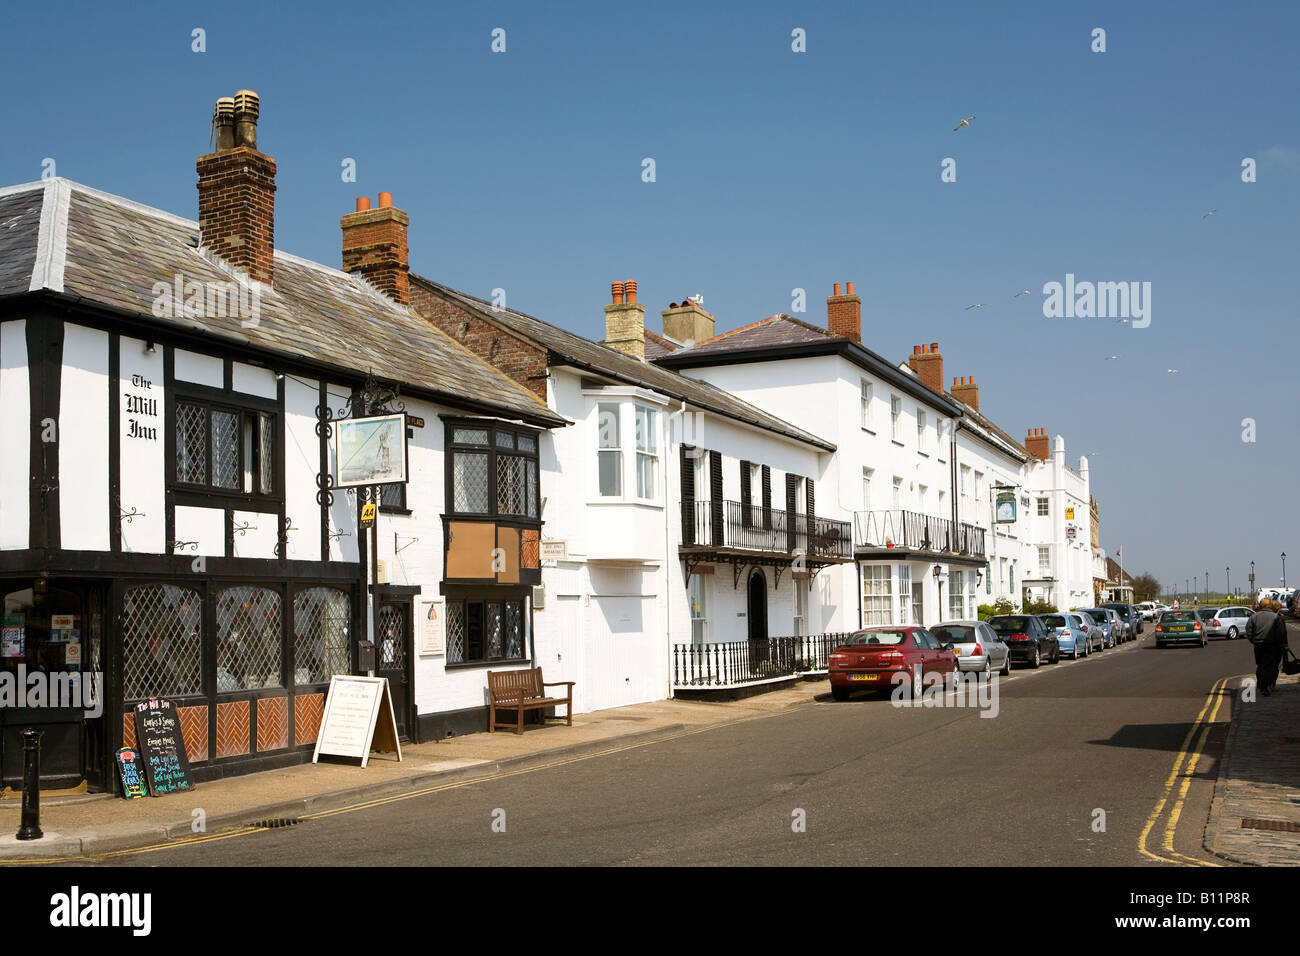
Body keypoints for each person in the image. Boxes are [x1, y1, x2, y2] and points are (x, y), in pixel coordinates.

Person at [1245, 598, 1289, 695]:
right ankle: (1263, 687)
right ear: (1270, 605)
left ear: (1261, 605)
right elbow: (1280, 633)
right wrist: (1278, 643)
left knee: (1260, 664)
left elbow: (1248, 630)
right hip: (1271, 645)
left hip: (1258, 645)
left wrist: (1253, 640)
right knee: (1267, 666)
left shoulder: (1254, 616)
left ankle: (1260, 684)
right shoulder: (1275, 617)